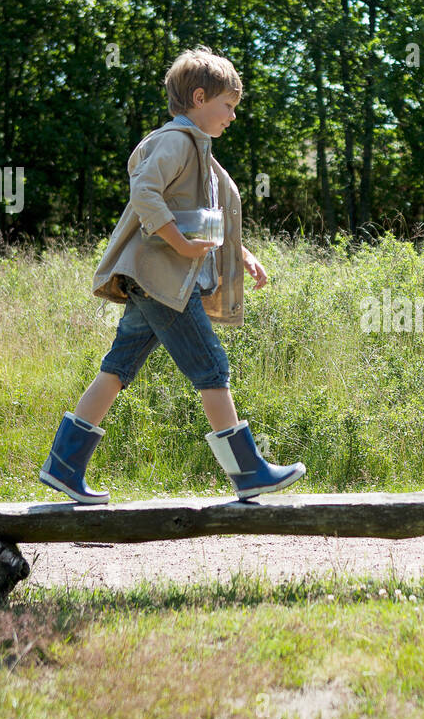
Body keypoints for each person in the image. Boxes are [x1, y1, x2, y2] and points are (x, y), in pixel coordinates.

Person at [39, 46, 306, 504]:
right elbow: (145, 192)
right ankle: (249, 473)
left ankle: (64, 466)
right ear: (199, 98)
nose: (232, 116)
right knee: (212, 368)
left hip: (152, 280)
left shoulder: (195, 149)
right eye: (228, 106)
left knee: (117, 368)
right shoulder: (176, 142)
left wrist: (238, 251)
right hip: (163, 283)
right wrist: (182, 247)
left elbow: (198, 215)